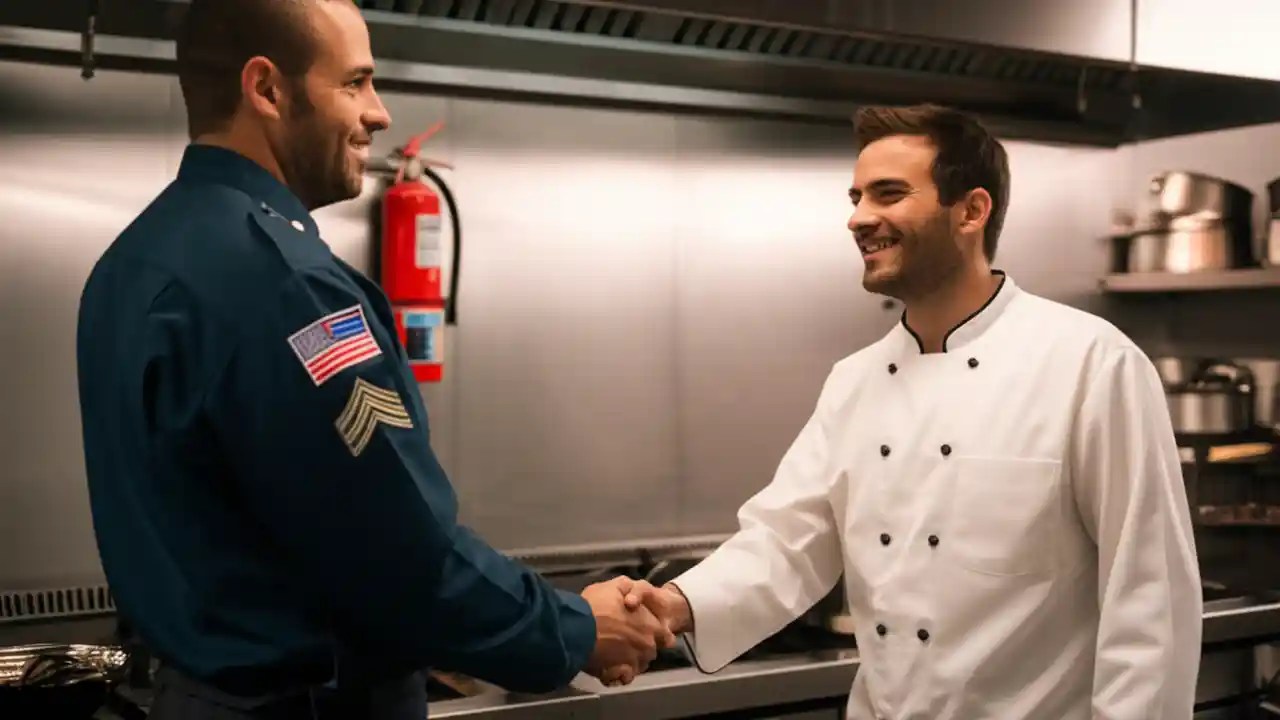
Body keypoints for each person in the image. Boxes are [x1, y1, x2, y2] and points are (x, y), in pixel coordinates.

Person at [75, 1, 672, 718]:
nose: (379, 113)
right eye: (354, 82)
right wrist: (576, 629)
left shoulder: (128, 265)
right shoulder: (287, 284)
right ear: (266, 89)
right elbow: (401, 557)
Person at [624, 104, 1203, 718]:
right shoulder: (855, 381)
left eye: (889, 194)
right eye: (856, 198)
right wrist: (671, 605)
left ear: (971, 211)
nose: (858, 218)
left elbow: (1149, 599)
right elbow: (788, 543)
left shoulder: (1092, 364)